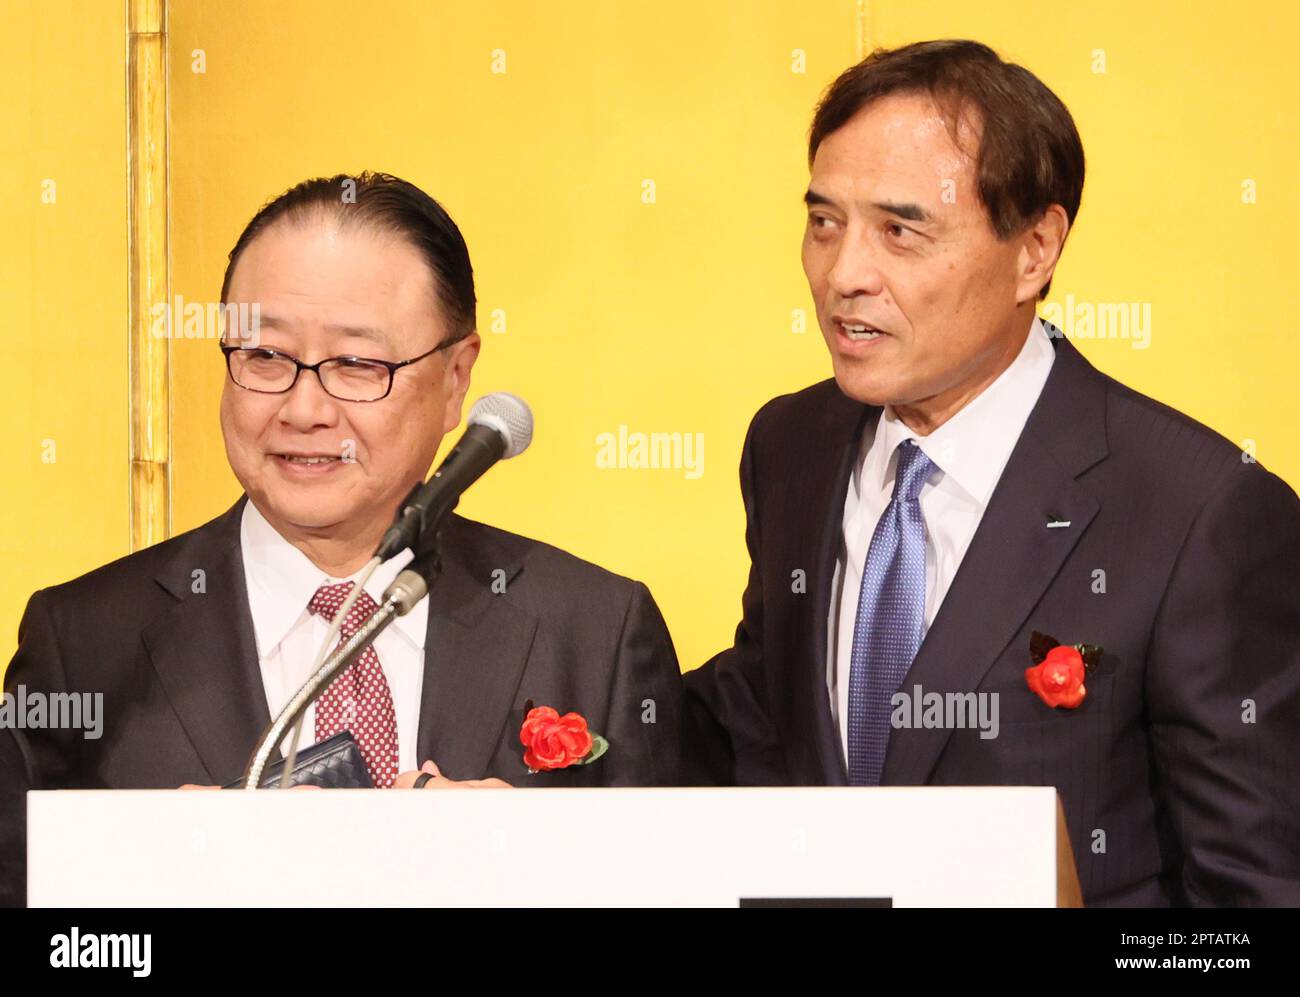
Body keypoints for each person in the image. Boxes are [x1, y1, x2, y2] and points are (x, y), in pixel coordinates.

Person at [684, 40, 1300, 906]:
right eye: (825, 223)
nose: (843, 275)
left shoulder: (1200, 511)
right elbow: (758, 723)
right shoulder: (793, 443)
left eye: (901, 231)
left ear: (1035, 249)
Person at [1, 171, 682, 906]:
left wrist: (534, 871)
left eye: (357, 364)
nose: (302, 408)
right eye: (264, 357)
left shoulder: (593, 629)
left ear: (456, 378)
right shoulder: (85, 643)